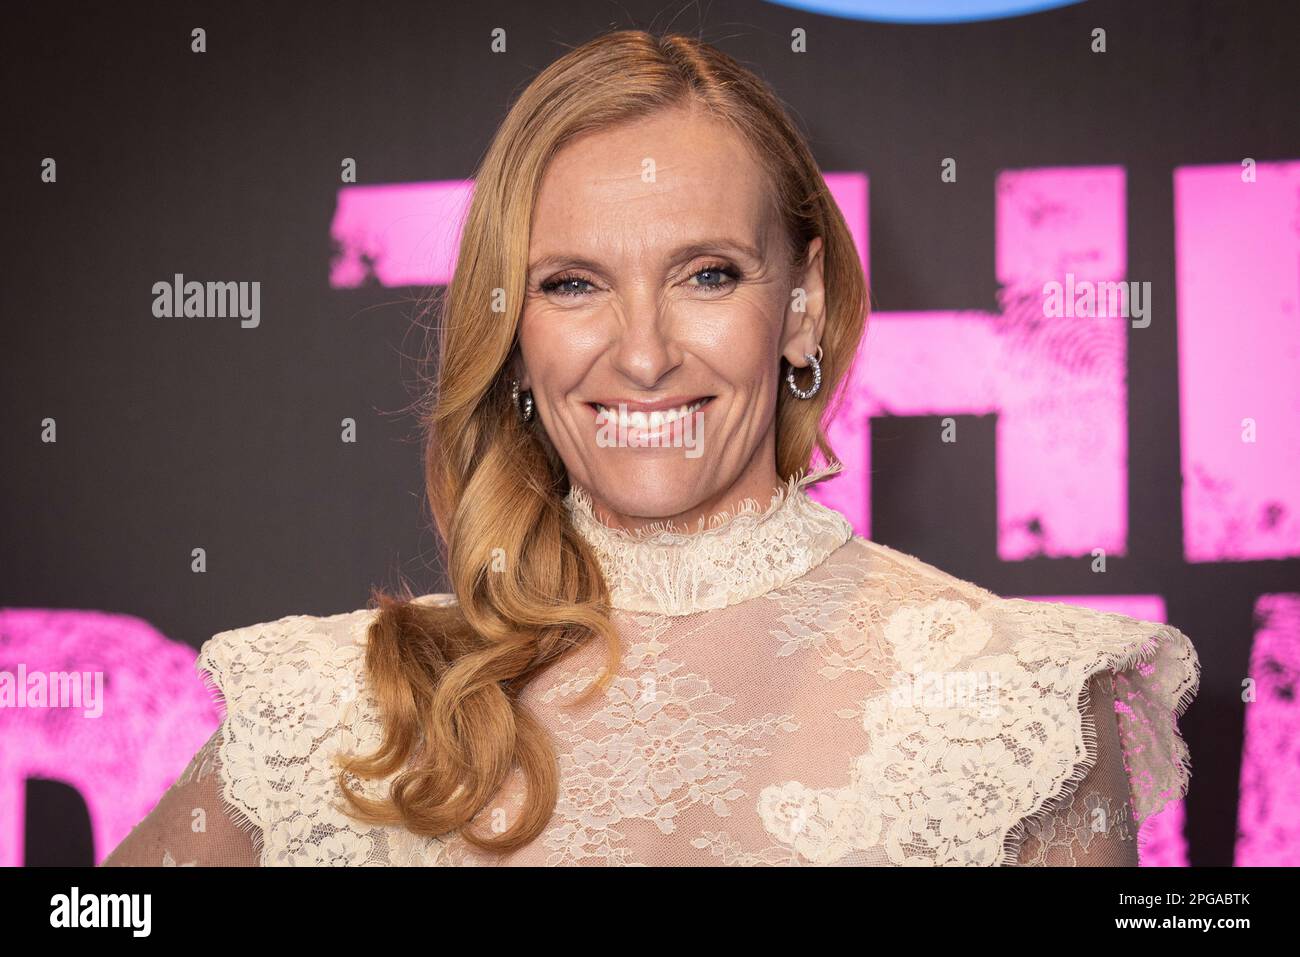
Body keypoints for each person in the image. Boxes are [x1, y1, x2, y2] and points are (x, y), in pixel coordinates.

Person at [103, 28, 1199, 867]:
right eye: (573, 284)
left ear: (803, 305)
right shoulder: (340, 705)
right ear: (515, 336)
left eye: (706, 273)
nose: (641, 353)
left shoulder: (1014, 709)